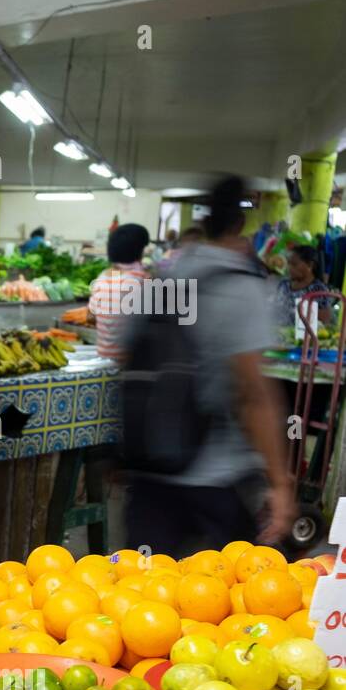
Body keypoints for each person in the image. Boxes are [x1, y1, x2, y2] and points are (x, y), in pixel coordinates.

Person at [120, 175, 294, 555]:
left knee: (141, 596)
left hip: (149, 472)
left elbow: (126, 361)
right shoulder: (240, 287)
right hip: (215, 478)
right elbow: (253, 395)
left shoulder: (163, 278)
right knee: (233, 598)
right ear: (240, 224)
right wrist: (280, 483)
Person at [87, 223, 150, 363]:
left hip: (104, 358)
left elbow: (90, 317)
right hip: (130, 364)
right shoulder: (141, 280)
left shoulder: (102, 277)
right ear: (139, 251)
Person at [274, 244, 329, 328]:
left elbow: (324, 323)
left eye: (294, 264)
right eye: (289, 263)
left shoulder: (319, 291)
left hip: (300, 339)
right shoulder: (283, 285)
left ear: (310, 265)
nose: (289, 268)